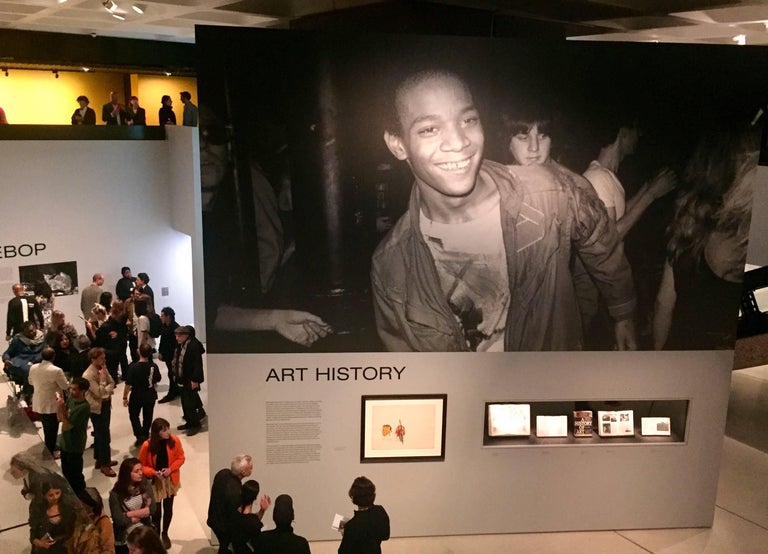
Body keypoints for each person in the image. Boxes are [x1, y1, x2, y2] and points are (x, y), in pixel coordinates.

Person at [373, 69, 636, 352]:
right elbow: (407, 365)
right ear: (398, 145)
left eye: (468, 120)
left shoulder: (549, 191)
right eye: (430, 129)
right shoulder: (391, 264)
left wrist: (623, 314)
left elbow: (601, 243)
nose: (459, 142)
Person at [654, 125, 759, 350]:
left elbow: (664, 303)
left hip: (679, 353)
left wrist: (658, 356)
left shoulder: (687, 223)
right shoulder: (747, 241)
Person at [583, 119, 677, 240]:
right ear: (624, 133)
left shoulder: (605, 175)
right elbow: (607, 239)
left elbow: (619, 214)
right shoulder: (598, 177)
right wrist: (651, 194)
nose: (639, 136)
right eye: (637, 130)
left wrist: (648, 186)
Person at [138, 417, 185, 550]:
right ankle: (156, 535)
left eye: (168, 428)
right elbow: (141, 465)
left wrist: (170, 469)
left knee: (168, 509)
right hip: (155, 482)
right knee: (156, 512)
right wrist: (154, 473)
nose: (168, 432)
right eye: (164, 430)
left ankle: (165, 533)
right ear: (156, 432)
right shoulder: (147, 445)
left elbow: (181, 458)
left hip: (170, 480)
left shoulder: (174, 440)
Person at [208, 454, 253, 554]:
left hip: (213, 518)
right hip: (222, 526)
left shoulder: (223, 472)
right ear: (243, 472)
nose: (252, 469)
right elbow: (233, 518)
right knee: (226, 547)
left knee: (224, 545)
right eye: (250, 468)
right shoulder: (235, 492)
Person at [109, 457, 156, 554]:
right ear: (127, 474)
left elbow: (152, 509)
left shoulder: (145, 485)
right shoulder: (116, 494)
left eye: (141, 470)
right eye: (136, 471)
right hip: (124, 536)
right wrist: (141, 513)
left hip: (143, 528)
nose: (141, 473)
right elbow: (119, 520)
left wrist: (128, 514)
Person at [28, 346, 69, 457]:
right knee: (52, 428)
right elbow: (65, 386)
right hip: (52, 403)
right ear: (53, 357)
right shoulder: (56, 370)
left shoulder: (33, 367)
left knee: (47, 427)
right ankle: (49, 453)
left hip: (39, 401)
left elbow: (30, 382)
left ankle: (50, 446)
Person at [82, 347, 117, 477]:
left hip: (105, 404)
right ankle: (105, 464)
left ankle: (100, 459)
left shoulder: (102, 368)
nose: (104, 360)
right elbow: (98, 392)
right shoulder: (88, 375)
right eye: (102, 358)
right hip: (97, 408)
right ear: (93, 359)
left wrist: (106, 387)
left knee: (101, 433)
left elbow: (112, 382)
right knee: (103, 436)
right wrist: (103, 380)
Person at [338, 476, 389, 554]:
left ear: (353, 497)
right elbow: (385, 536)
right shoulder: (380, 511)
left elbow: (342, 552)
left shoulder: (351, 526)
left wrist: (346, 534)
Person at [57, 377, 91, 495]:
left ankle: (80, 495)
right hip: (65, 442)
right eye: (71, 389)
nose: (71, 392)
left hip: (75, 445)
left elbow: (67, 425)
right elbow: (61, 418)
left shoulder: (84, 407)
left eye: (75, 389)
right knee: (66, 472)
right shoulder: (71, 399)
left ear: (83, 391)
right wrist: (60, 407)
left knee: (75, 475)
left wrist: (61, 407)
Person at [28, 475, 78, 554]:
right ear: (44, 496)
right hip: (45, 551)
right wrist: (39, 543)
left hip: (66, 549)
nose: (55, 497)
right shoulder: (38, 509)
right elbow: (33, 533)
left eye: (57, 493)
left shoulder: (68, 507)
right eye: (51, 495)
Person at [124, 343, 161, 446]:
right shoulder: (153, 366)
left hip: (136, 395)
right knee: (148, 415)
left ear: (139, 352)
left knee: (134, 415)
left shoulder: (133, 367)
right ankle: (145, 433)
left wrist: (125, 397)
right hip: (150, 394)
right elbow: (157, 378)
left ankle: (139, 435)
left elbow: (128, 384)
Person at [172, 325, 205, 436]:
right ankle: (189, 422)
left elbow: (197, 365)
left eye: (179, 335)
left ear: (186, 335)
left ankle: (195, 424)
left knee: (189, 403)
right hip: (183, 378)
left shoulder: (193, 347)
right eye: (176, 335)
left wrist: (195, 380)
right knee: (185, 402)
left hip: (190, 379)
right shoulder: (182, 346)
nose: (177, 338)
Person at [3, 320, 46, 397]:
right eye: (29, 331)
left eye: (34, 330)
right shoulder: (18, 339)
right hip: (21, 362)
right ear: (24, 332)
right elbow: (7, 353)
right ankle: (26, 394)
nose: (33, 332)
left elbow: (47, 352)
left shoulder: (42, 339)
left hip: (38, 362)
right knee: (30, 370)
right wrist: (6, 360)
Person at [94, 300, 130, 383]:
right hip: (115, 351)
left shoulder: (108, 326)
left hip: (112, 353)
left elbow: (97, 342)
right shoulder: (122, 323)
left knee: (112, 373)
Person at [72, 486, 116, 554]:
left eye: (82, 506)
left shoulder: (103, 522)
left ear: (91, 507)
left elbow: (109, 551)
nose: (78, 508)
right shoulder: (78, 520)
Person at [231, 480, 271, 554]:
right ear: (255, 498)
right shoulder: (253, 523)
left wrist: (262, 510)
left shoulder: (234, 512)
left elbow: (250, 521)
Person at [156, 307, 180, 403]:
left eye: (162, 316)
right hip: (167, 355)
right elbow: (163, 340)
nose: (161, 317)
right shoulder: (165, 326)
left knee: (172, 373)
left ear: (168, 317)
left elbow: (177, 345)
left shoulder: (175, 328)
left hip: (172, 356)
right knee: (171, 373)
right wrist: (160, 351)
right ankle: (175, 390)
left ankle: (172, 393)